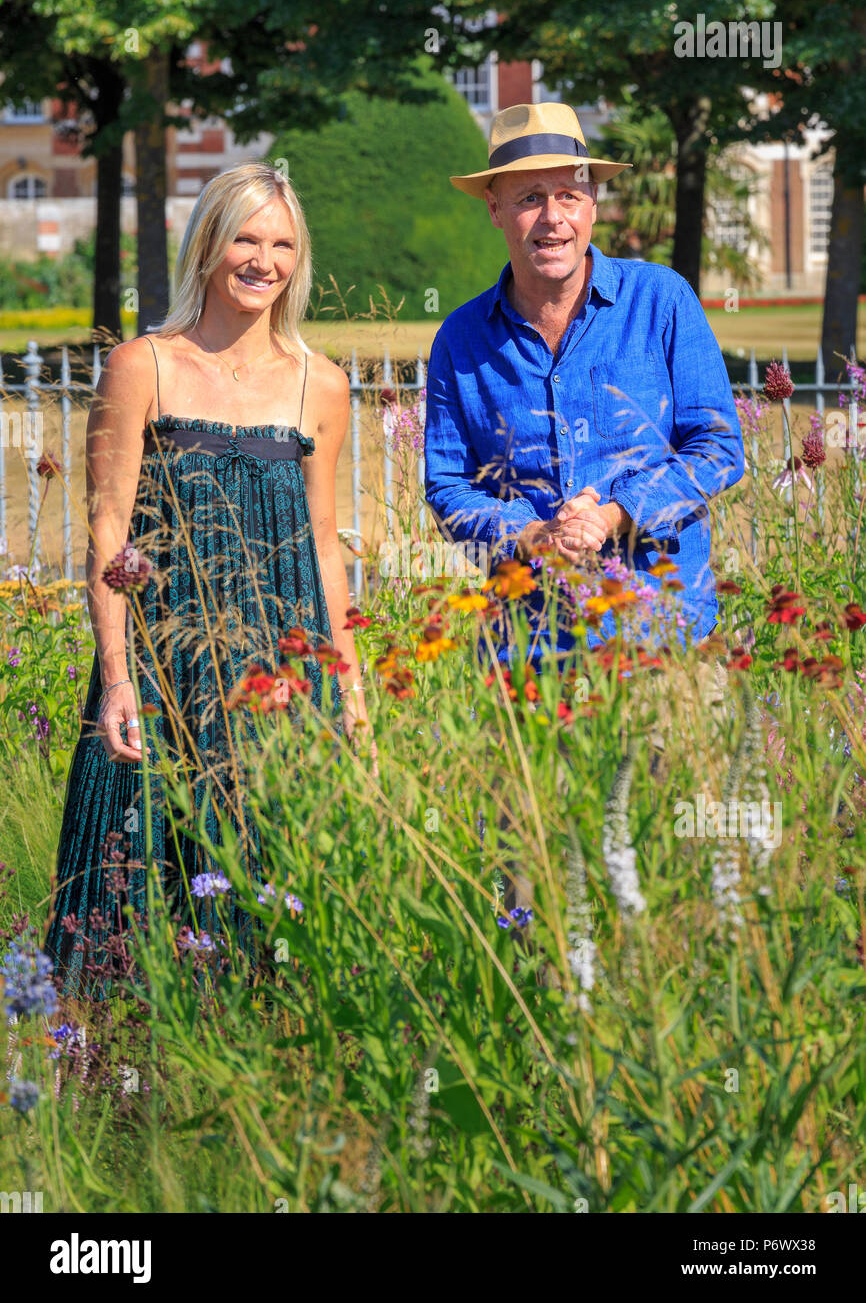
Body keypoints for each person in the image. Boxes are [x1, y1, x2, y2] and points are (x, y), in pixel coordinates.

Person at [46, 161, 370, 996]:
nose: (264, 261)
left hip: (282, 677)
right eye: (246, 239)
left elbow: (326, 550)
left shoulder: (320, 384)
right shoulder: (141, 366)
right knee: (136, 879)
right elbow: (107, 532)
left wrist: (351, 691)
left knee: (280, 885)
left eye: (283, 245)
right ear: (209, 245)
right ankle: (124, 1099)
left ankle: (269, 1084)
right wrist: (116, 679)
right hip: (163, 666)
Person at [424, 101, 745, 670]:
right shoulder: (460, 340)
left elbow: (719, 447)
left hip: (663, 638)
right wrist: (528, 536)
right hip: (529, 652)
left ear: (593, 203)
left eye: (569, 195)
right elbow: (448, 484)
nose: (553, 218)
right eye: (529, 198)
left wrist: (615, 514)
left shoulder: (662, 301)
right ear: (495, 210)